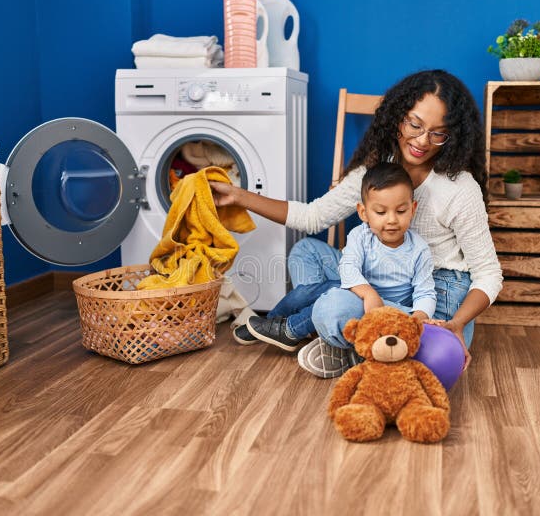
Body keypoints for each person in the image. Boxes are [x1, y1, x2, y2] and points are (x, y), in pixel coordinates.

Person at [211, 69, 503, 378]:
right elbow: (312, 217)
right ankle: (354, 335)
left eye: (437, 133)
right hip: (378, 281)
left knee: (333, 310)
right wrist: (240, 196)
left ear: (452, 136)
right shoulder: (378, 170)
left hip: (434, 300)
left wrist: (455, 324)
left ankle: (337, 340)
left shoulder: (458, 187)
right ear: (398, 116)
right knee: (306, 252)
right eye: (415, 125)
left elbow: (488, 274)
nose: (422, 141)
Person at [237, 162, 436, 353]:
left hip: (386, 309)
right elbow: (348, 267)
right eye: (381, 212)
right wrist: (367, 293)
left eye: (401, 211)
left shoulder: (419, 249)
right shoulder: (360, 236)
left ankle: (290, 330)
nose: (392, 219)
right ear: (363, 213)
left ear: (413, 208)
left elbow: (425, 292)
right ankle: (275, 323)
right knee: (307, 252)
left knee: (333, 291)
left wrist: (419, 316)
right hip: (363, 294)